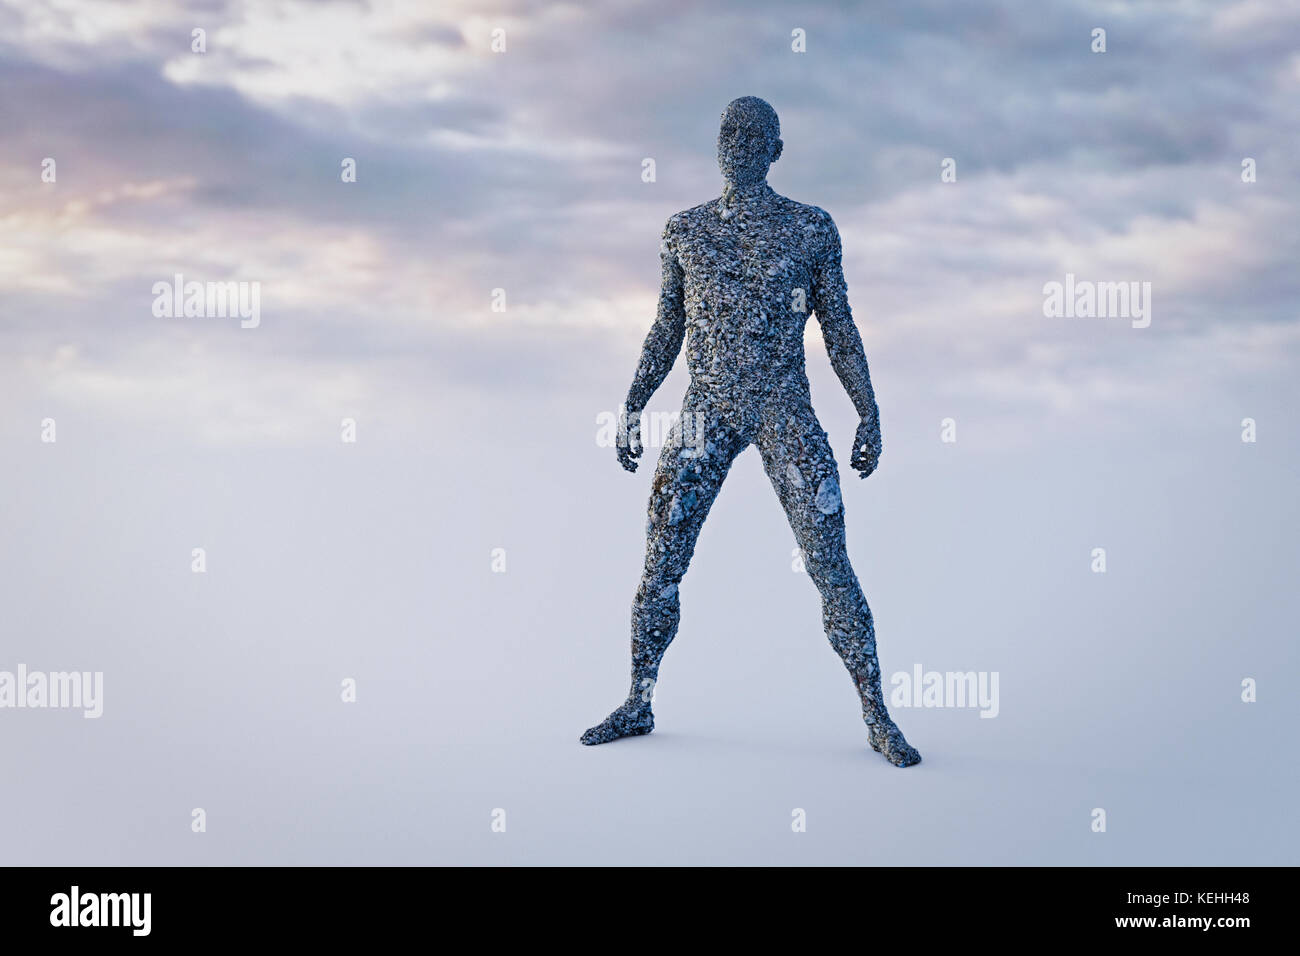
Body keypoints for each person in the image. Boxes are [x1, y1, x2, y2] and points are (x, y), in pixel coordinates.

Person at [581, 96, 920, 767]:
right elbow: (667, 329)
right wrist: (632, 403)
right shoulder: (685, 231)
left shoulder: (810, 229)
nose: (738, 143)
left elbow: (839, 328)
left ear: (775, 150)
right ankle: (638, 698)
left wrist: (868, 408)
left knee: (829, 560)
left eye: (753, 134)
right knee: (662, 558)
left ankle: (878, 716)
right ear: (717, 146)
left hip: (782, 404)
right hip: (705, 405)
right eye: (728, 133)